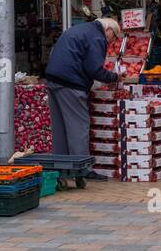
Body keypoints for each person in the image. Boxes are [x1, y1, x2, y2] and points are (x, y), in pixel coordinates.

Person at [44, 17, 123, 160]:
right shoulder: (97, 37)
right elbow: (94, 70)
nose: (112, 42)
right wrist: (114, 77)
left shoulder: (81, 29)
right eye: (114, 37)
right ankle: (82, 167)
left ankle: (61, 164)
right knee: (79, 126)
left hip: (52, 79)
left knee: (60, 128)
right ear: (109, 30)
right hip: (71, 83)